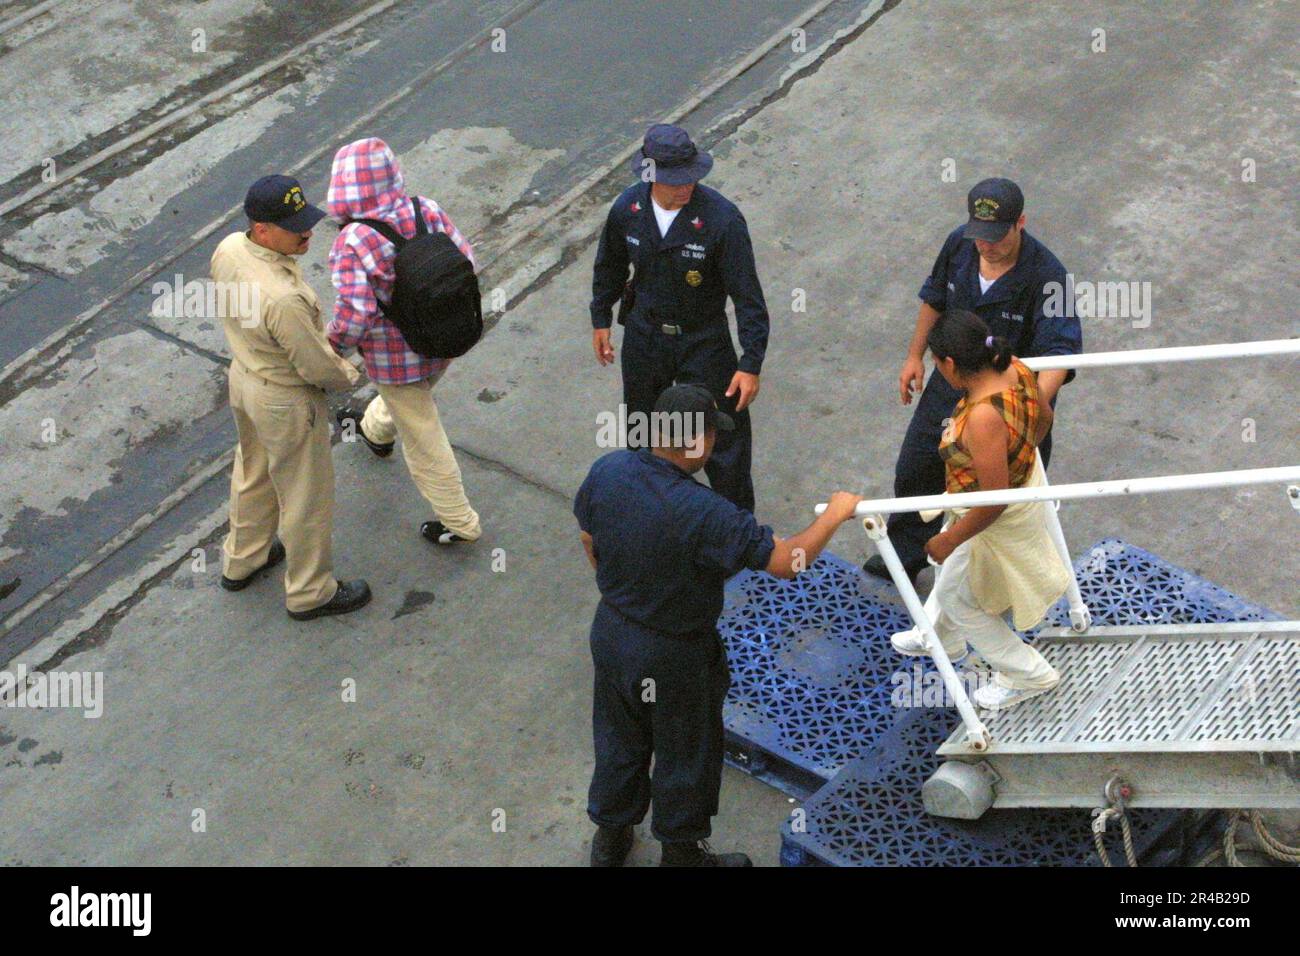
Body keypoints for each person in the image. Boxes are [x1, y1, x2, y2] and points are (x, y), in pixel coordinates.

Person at [574, 383, 862, 866]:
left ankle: (610, 835)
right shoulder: (705, 512)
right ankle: (682, 852)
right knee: (686, 747)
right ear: (693, 441)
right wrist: (835, 514)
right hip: (674, 654)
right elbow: (787, 561)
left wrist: (625, 589)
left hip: (613, 632)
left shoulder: (610, 471)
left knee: (619, 734)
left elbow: (588, 534)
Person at [866, 177, 1081, 583]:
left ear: (1021, 223)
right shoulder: (959, 245)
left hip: (1008, 404)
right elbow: (935, 298)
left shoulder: (1048, 276)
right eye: (980, 237)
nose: (986, 246)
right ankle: (907, 551)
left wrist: (1026, 409)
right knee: (916, 469)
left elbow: (1059, 354)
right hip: (948, 390)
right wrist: (914, 356)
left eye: (997, 237)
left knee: (1002, 499)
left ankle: (1002, 579)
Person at [889, 309, 1069, 712]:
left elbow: (994, 499)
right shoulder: (1017, 368)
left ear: (950, 364)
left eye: (938, 364)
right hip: (1010, 496)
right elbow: (1044, 420)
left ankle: (1027, 673)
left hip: (993, 516)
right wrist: (1022, 454)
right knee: (953, 580)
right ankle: (940, 637)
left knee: (957, 596)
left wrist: (951, 537)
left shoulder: (984, 415)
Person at [211, 175, 372, 620]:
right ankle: (310, 591)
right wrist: (349, 373)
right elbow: (315, 366)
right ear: (262, 230)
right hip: (284, 398)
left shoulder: (229, 249)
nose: (307, 231)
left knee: (253, 470)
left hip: (245, 379)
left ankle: (244, 558)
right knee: (305, 496)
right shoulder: (282, 298)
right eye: (293, 226)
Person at [590, 123, 770, 513]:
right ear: (651, 176)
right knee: (643, 430)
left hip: (704, 340)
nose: (685, 187)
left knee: (724, 439)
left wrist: (750, 362)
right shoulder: (628, 210)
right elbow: (610, 267)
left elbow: (748, 297)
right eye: (674, 180)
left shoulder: (722, 220)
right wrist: (600, 317)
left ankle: (735, 528)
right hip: (645, 336)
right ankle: (651, 513)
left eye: (690, 177)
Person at [327, 137, 482, 546]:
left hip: (395, 359)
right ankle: (374, 432)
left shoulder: (353, 240)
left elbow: (356, 313)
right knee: (409, 404)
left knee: (423, 438)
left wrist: (333, 347)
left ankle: (459, 522)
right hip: (445, 338)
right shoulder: (424, 208)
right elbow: (467, 260)